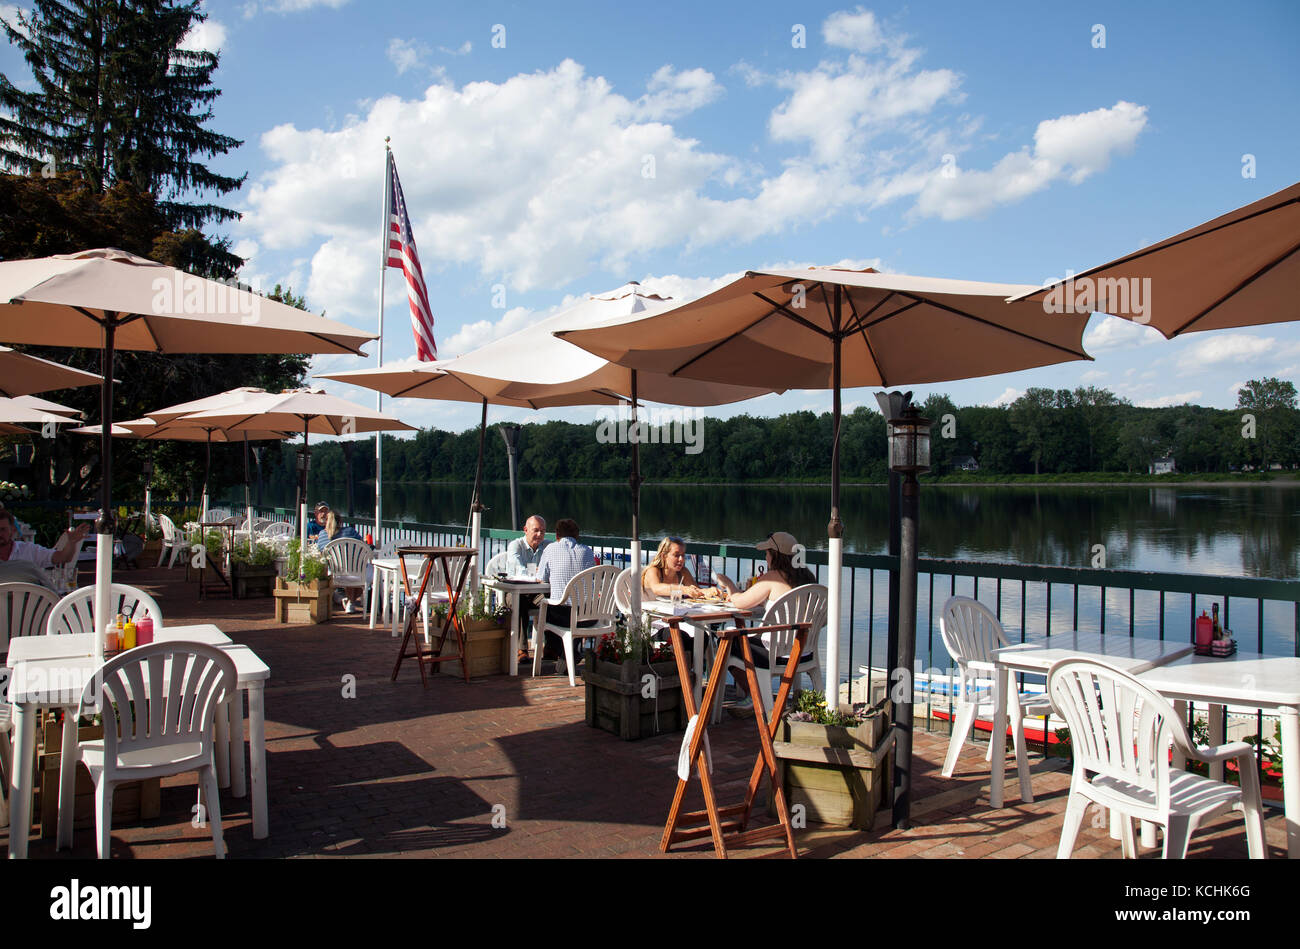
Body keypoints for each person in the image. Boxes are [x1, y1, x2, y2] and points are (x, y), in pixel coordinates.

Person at [716, 531, 817, 711]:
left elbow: (740, 602)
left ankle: (754, 695)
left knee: (728, 640)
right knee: (744, 639)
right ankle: (755, 696)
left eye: (767, 553)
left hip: (775, 654)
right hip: (803, 651)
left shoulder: (773, 577)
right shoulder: (808, 578)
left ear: (775, 555)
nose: (765, 556)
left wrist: (728, 584)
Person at [535, 517, 595, 671]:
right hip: (587, 617)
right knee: (573, 608)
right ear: (577, 535)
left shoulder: (550, 549)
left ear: (556, 535)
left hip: (561, 617)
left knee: (541, 607)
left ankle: (559, 650)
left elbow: (541, 579)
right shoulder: (587, 551)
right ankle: (569, 651)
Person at [0, 508, 89, 570]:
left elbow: (63, 557)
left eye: (2, 529)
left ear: (13, 530)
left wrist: (71, 543)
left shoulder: (28, 550)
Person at [317, 510, 364, 612]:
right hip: (354, 571)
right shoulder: (350, 531)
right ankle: (351, 602)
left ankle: (347, 601)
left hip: (333, 572)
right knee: (369, 576)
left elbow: (320, 552)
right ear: (340, 521)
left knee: (352, 574)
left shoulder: (322, 535)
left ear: (326, 522)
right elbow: (363, 547)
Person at [641, 536, 706, 599]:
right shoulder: (653, 570)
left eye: (683, 555)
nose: (681, 559)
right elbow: (657, 588)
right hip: (648, 609)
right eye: (676, 555)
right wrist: (684, 589)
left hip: (670, 609)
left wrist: (709, 591)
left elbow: (697, 591)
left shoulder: (683, 572)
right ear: (664, 556)